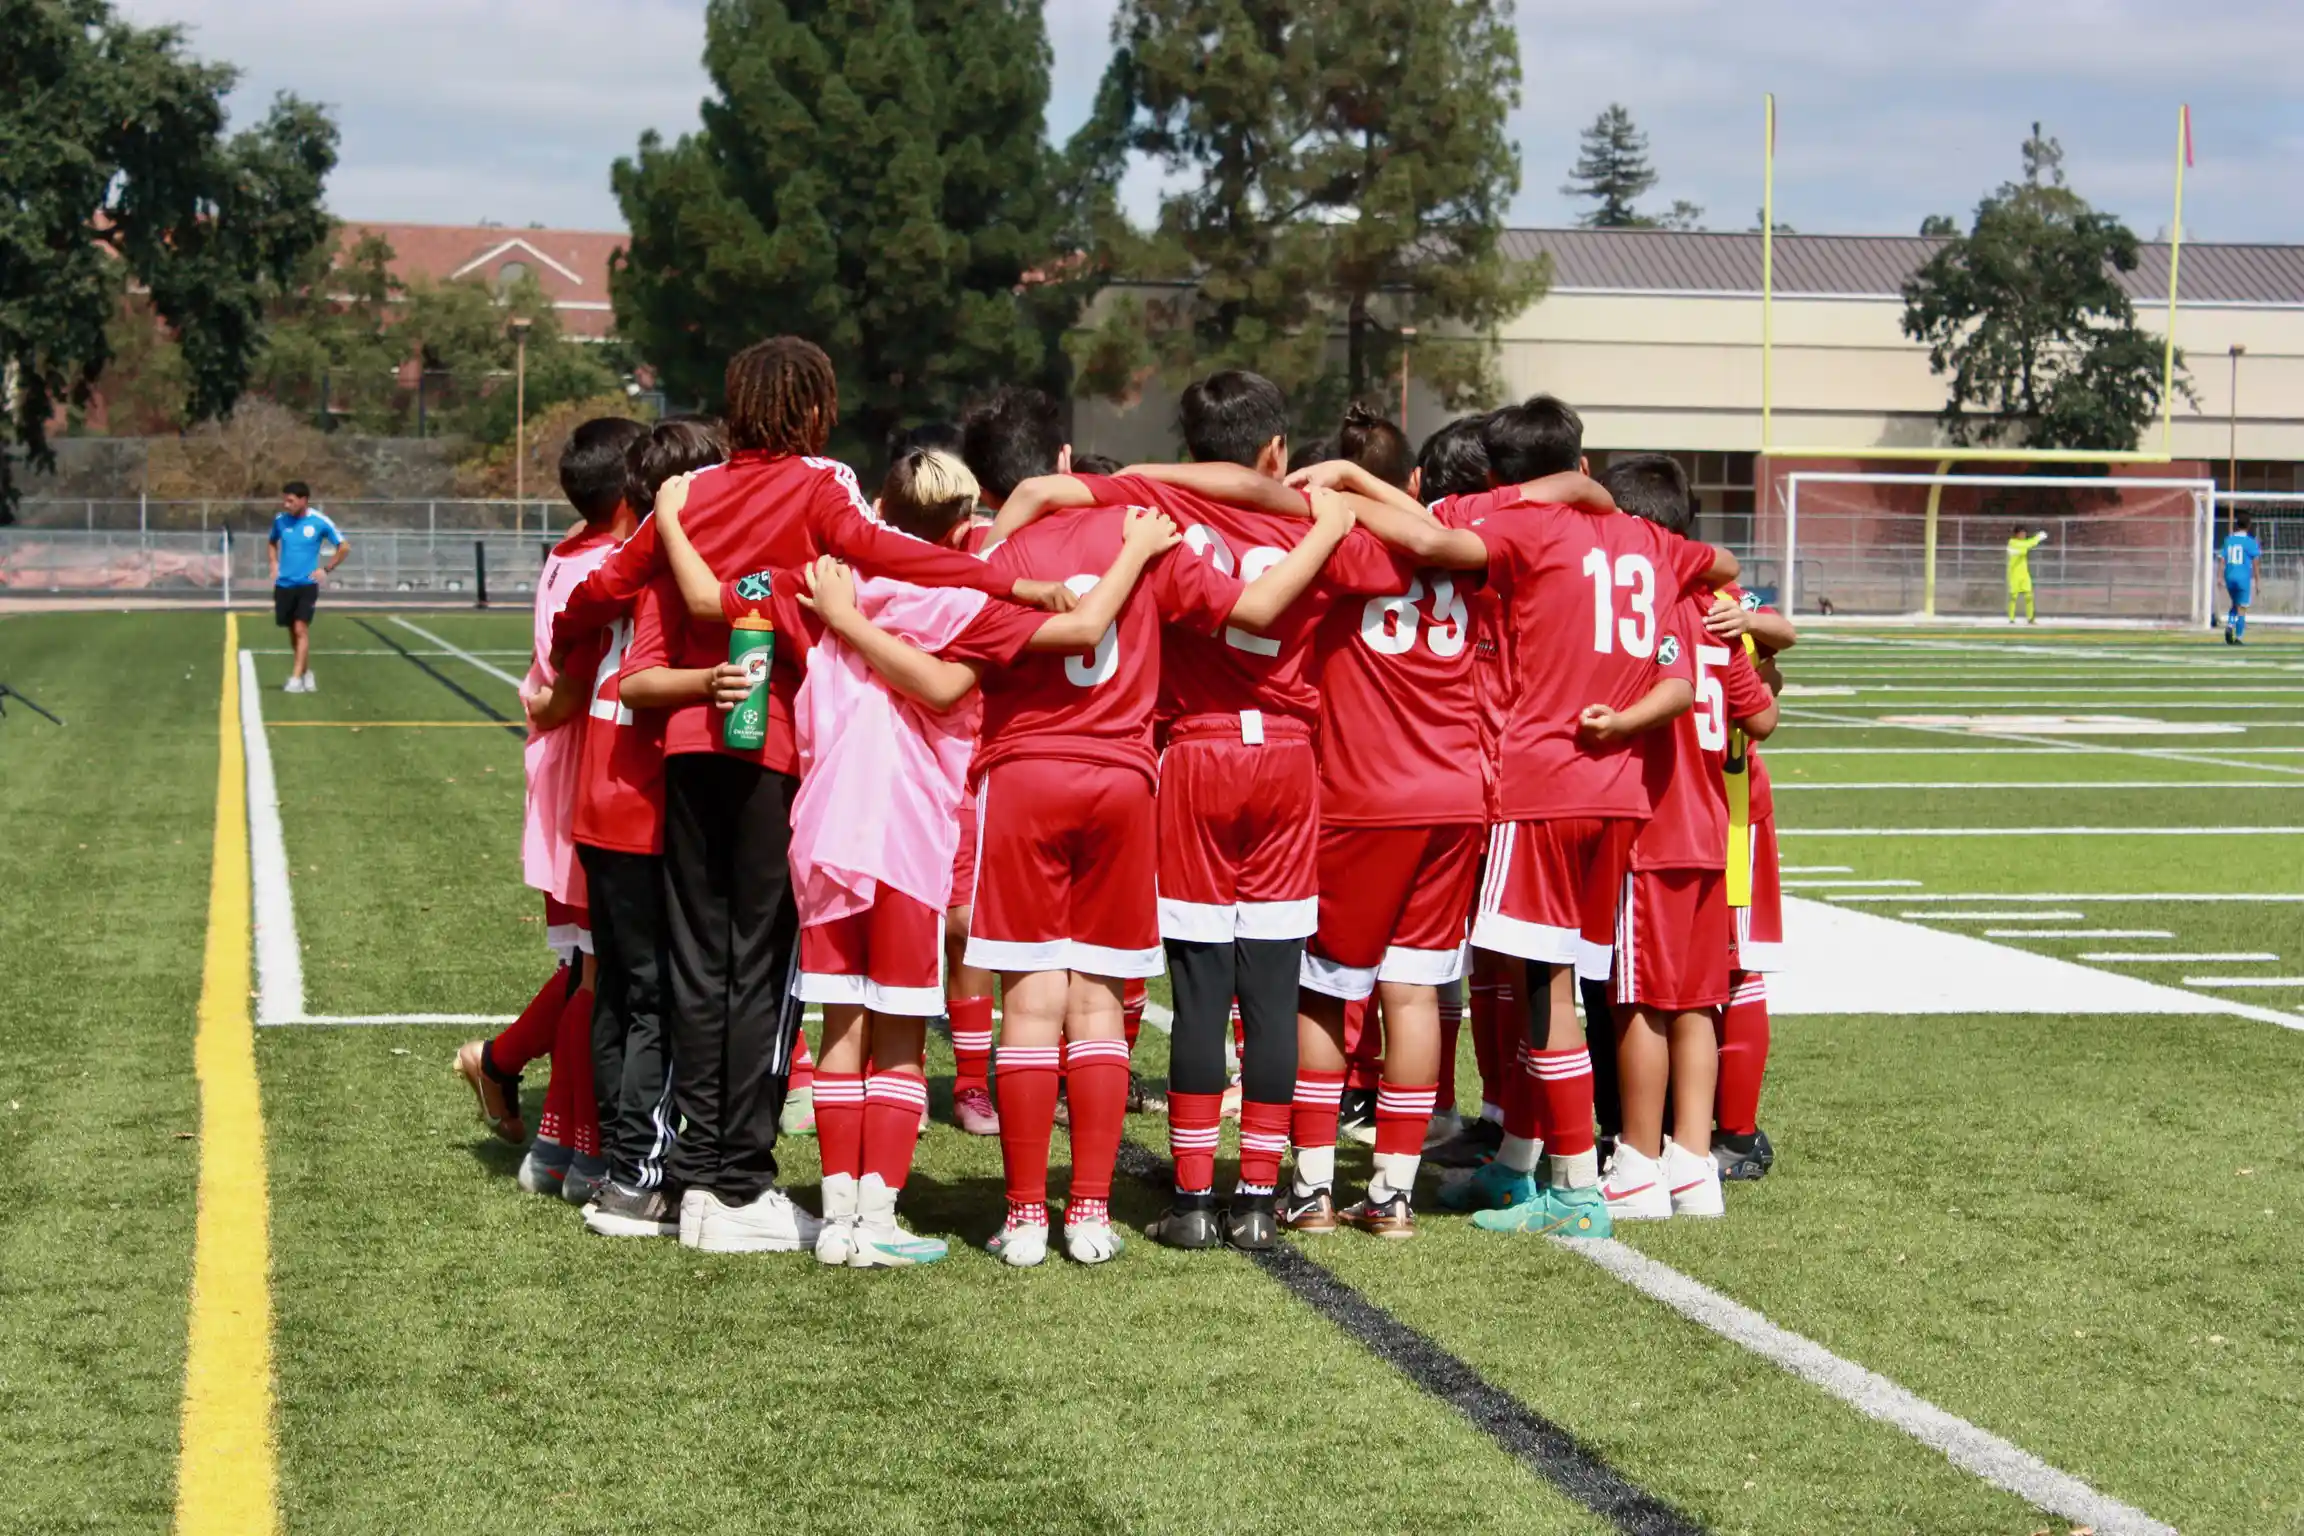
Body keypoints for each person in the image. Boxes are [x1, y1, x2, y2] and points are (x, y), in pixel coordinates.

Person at [652, 449, 1185, 1265]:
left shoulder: (819, 582)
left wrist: (672, 517)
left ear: (879, 510)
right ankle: (887, 1216)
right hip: (905, 837)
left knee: (842, 1027)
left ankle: (836, 1222)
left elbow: (706, 597)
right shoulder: (965, 593)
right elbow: (986, 670)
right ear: (962, 525)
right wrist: (1137, 551)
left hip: (825, 832)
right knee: (901, 1032)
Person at [606, 338, 1071, 1258]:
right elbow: (895, 556)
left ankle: (696, 1183)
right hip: (774, 744)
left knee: (700, 967)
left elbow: (652, 589)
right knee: (763, 969)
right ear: (813, 411)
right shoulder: (818, 487)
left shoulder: (689, 492)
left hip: (689, 743)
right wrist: (1008, 578)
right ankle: (741, 1183)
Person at [992, 371, 1415, 1254]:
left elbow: (1040, 493)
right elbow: (1419, 552)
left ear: (1188, 452)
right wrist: (1334, 500)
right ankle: (1257, 1196)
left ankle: (1190, 1197)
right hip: (1289, 762)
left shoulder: (1159, 505)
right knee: (1269, 992)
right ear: (1274, 451)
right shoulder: (1308, 520)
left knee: (1197, 992)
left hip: (1194, 755)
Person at [1310, 395, 1737, 1240]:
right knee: (1542, 989)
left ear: (1504, 478)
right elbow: (1719, 564)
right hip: (1619, 797)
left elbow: (1432, 537)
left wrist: (1350, 482)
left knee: (1537, 995)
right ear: (1581, 463)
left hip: (1539, 783)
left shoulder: (1525, 526)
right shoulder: (1652, 541)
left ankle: (1576, 1185)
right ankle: (1520, 1163)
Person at [957, 478, 1357, 1267]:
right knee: (1103, 1006)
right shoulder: (1147, 534)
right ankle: (1094, 1213)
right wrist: (1328, 522)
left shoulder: (1004, 550)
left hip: (1028, 776)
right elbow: (1251, 608)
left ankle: (1027, 1215)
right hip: (1125, 780)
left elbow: (958, 659)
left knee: (1033, 1006)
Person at [519, 417, 728, 1239]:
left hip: (600, 794)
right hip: (641, 796)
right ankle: (636, 1175)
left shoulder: (603, 564)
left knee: (610, 987)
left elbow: (575, 634)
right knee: (651, 997)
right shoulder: (660, 563)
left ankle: (597, 1155)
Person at [455, 418, 649, 1203]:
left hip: (573, 773)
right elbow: (569, 685)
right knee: (592, 970)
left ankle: (515, 1085)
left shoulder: (574, 548)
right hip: (589, 777)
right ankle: (569, 1144)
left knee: (585, 966)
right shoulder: (606, 563)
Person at [1591, 454, 1778, 1223]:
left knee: (1640, 1002)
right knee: (1700, 1003)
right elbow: (1761, 717)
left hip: (1654, 826)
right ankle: (1693, 1164)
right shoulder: (1714, 611)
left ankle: (1637, 1160)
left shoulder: (1645, 612)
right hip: (1712, 829)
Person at [1702, 570, 1798, 1181]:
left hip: (1731, 813)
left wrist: (1746, 624)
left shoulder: (1718, 600)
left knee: (1737, 968)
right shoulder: (1654, 593)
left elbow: (1782, 633)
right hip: (1690, 810)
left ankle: (1736, 1133)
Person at [268, 481, 345, 693]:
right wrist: (273, 563)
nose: (286, 504)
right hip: (284, 584)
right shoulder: (280, 521)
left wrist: (326, 570)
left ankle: (295, 679)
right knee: (293, 631)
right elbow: (272, 542)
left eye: (290, 500)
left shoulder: (319, 521)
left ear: (303, 500)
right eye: (284, 500)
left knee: (301, 628)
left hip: (307, 585)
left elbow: (343, 546)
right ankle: (306, 672)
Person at [2221, 512, 2262, 644]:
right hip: (2242, 578)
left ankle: (2230, 625)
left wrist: (2219, 578)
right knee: (2242, 608)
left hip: (2229, 576)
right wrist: (2257, 581)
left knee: (2235, 604)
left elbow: (2222, 560)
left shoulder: (2229, 540)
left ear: (2236, 525)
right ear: (2249, 526)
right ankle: (2238, 637)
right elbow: (2256, 563)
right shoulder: (2250, 542)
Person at [2005, 524, 2050, 624]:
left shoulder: (2024, 543)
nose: (2023, 535)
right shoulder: (2012, 542)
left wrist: (2036, 539)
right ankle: (2011, 619)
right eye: (2021, 533)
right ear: (2016, 534)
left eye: (2024, 533)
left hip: (2024, 574)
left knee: (2029, 596)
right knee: (2013, 597)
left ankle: (2030, 618)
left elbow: (2028, 544)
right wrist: (2037, 538)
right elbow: (2028, 545)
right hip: (2014, 574)